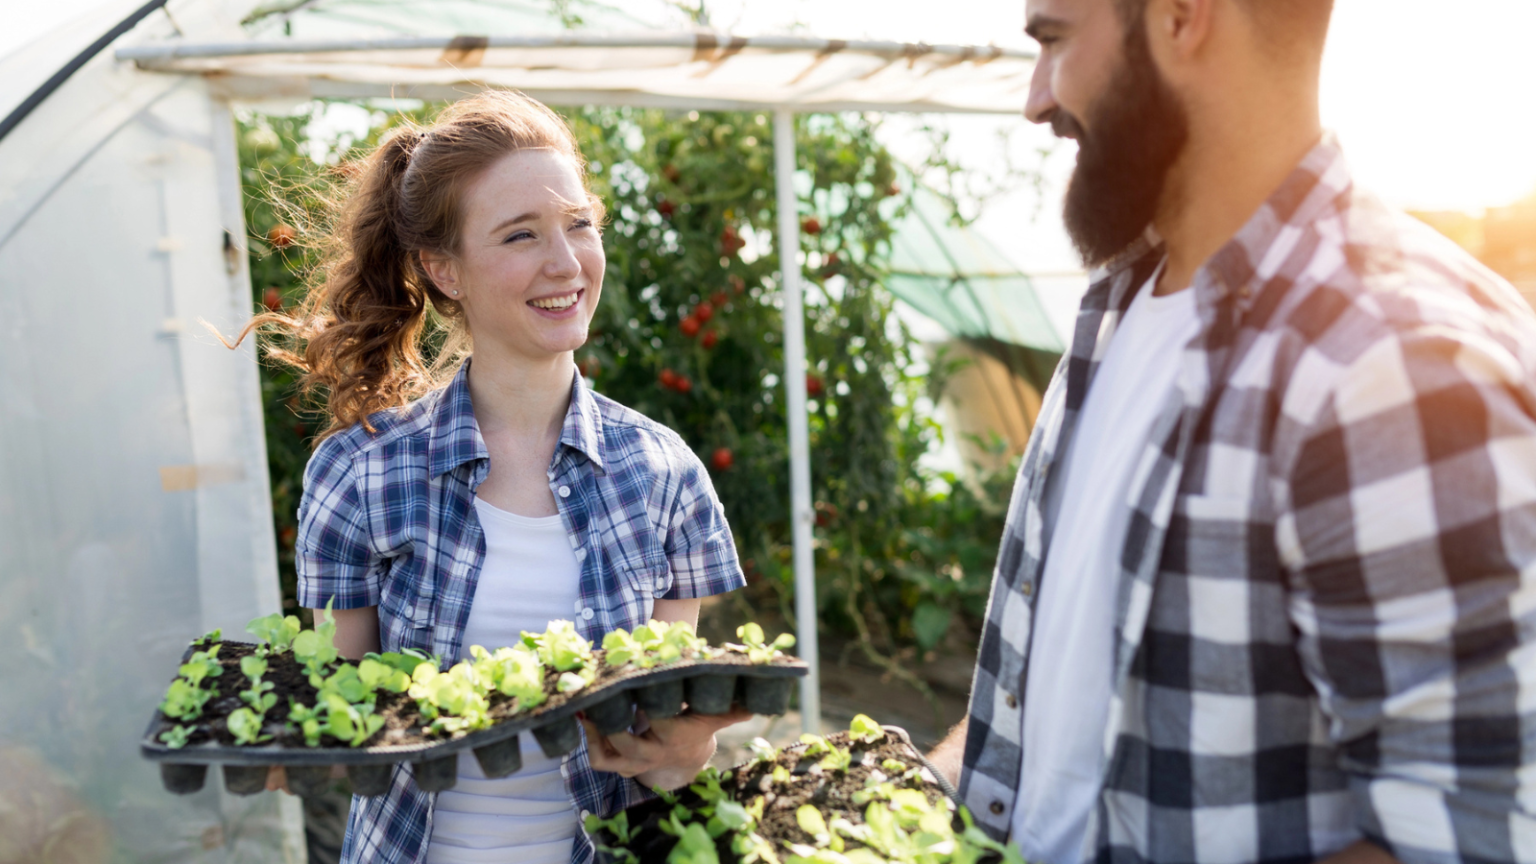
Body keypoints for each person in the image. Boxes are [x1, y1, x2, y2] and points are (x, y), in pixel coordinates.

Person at [926, 1, 1536, 863]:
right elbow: (1043, 734)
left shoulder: (1390, 362)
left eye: (1055, 39)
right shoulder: (1120, 312)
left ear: (1181, 16)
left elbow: (1472, 838)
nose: (1034, 100)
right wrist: (872, 805)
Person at [237, 91, 750, 864]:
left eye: (579, 224)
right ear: (444, 270)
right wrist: (294, 738)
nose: (565, 262)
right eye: (520, 235)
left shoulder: (663, 474)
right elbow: (343, 711)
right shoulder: (363, 473)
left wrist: (685, 754)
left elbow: (666, 747)